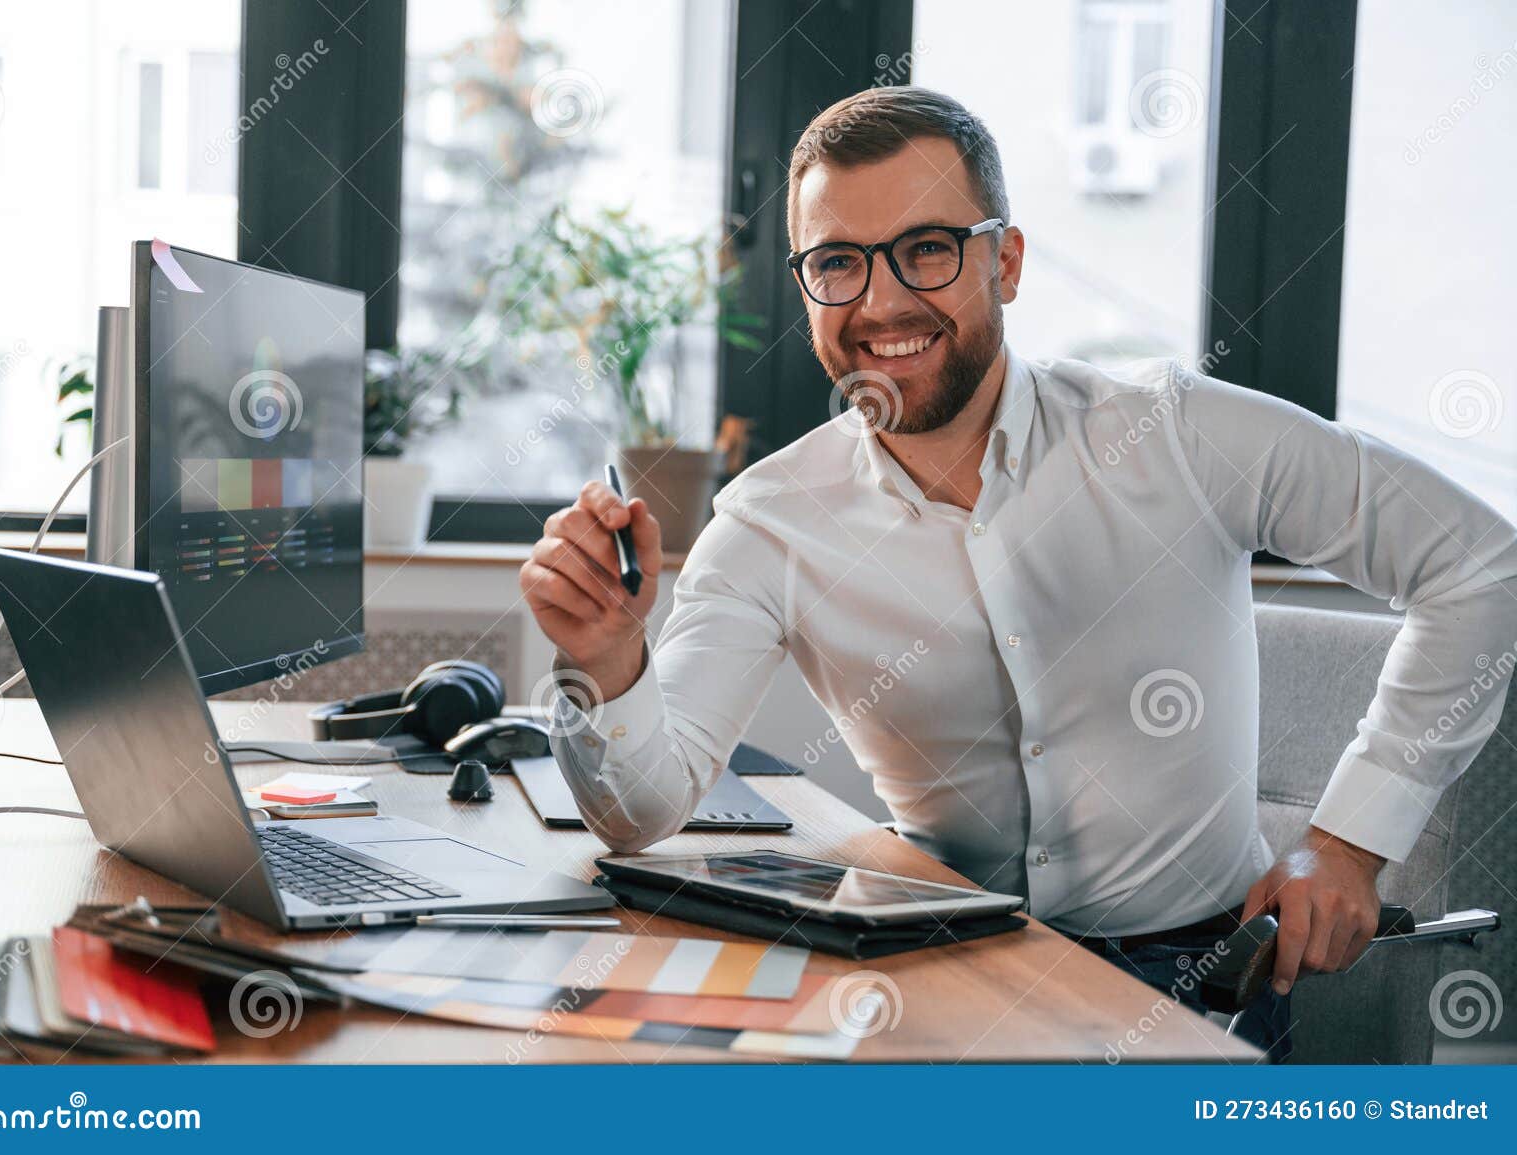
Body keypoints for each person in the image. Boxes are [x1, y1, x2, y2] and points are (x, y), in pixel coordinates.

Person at [518, 86, 1517, 1058]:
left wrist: (1348, 842)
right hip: (938, 974)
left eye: (927, 248)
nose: (881, 302)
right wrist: (605, 660)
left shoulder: (1176, 434)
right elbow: (639, 812)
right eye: (838, 262)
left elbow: (1482, 566)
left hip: (1193, 986)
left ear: (1006, 262)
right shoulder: (770, 521)